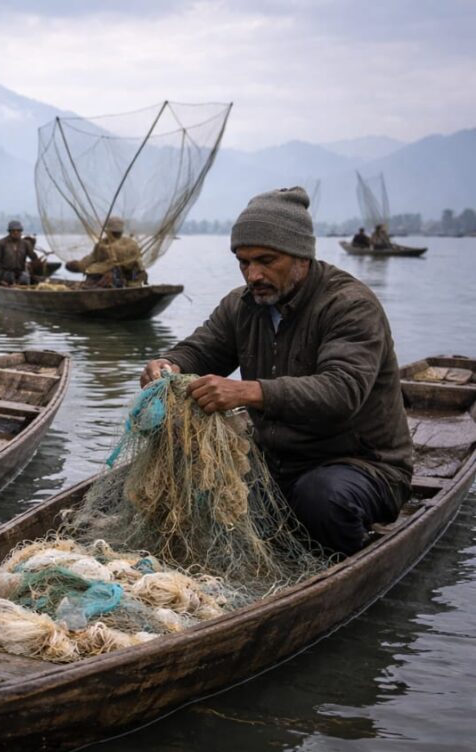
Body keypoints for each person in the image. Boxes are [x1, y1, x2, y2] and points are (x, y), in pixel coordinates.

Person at [139, 187, 413, 556]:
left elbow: (341, 392)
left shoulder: (349, 305)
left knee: (321, 498)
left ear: (302, 256)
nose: (254, 275)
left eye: (267, 260)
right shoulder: (242, 305)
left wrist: (248, 392)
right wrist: (169, 365)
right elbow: (201, 350)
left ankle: (334, 571)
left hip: (360, 465)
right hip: (276, 462)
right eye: (244, 262)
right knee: (193, 485)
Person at [65, 216, 146, 288]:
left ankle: (101, 285)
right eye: (113, 232)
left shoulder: (129, 243)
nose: (114, 234)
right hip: (103, 275)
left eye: (116, 232)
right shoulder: (102, 243)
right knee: (93, 272)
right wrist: (79, 265)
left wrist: (112, 255)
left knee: (112, 272)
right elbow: (92, 258)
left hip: (124, 277)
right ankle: (92, 285)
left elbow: (131, 263)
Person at [0, 220, 37, 285]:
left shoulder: (25, 244)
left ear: (21, 232)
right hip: (5, 273)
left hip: (20, 272)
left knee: (25, 279)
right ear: (9, 232)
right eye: (13, 231)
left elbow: (34, 258)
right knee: (9, 277)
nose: (16, 232)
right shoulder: (1, 243)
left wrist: (32, 246)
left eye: (18, 231)